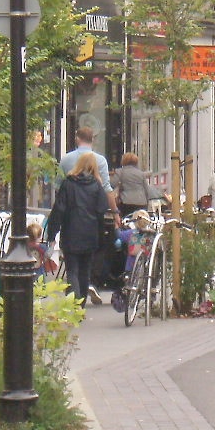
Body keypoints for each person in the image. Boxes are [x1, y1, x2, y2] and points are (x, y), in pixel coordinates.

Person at [46, 152, 112, 305]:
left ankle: (75, 301)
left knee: (72, 270)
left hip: (71, 232)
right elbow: (102, 209)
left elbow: (59, 210)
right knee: (85, 271)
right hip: (90, 233)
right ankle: (80, 304)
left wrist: (52, 233)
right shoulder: (97, 186)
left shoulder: (68, 184)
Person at [60, 126, 111, 192]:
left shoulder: (65, 159)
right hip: (93, 197)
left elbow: (58, 185)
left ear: (77, 139)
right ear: (92, 139)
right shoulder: (101, 160)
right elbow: (106, 187)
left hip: (72, 197)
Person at [111, 152, 152, 219]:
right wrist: (147, 203)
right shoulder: (141, 174)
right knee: (139, 222)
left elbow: (112, 184)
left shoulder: (120, 172)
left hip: (126, 202)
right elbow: (146, 190)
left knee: (126, 220)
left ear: (123, 161)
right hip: (141, 202)